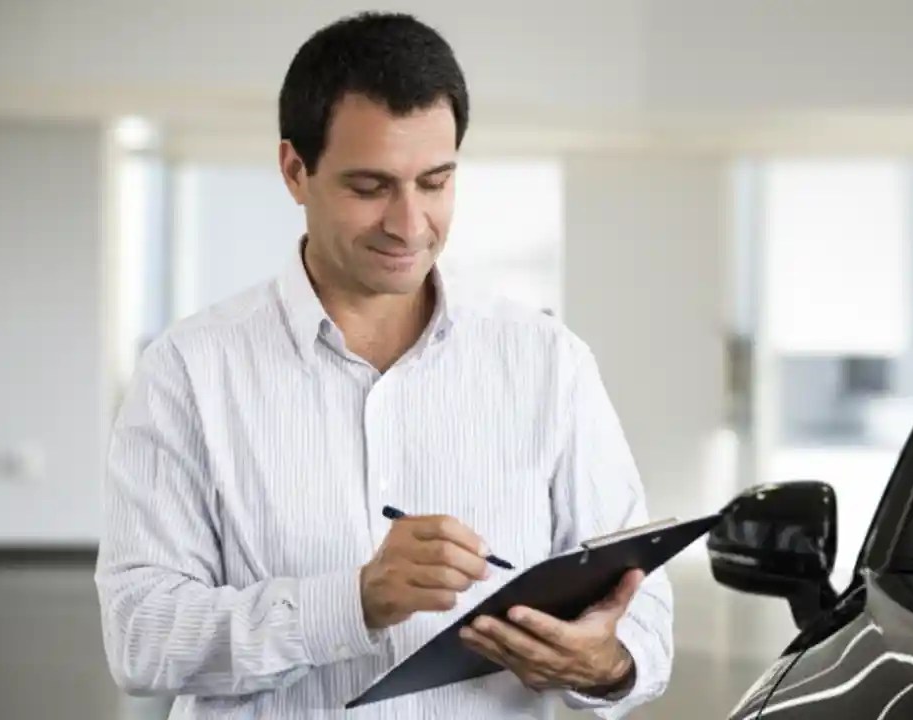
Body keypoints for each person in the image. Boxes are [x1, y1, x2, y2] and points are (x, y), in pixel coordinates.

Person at [94, 11, 673, 719]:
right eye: (370, 188)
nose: (409, 224)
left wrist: (605, 664)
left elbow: (644, 627)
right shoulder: (188, 372)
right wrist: (356, 601)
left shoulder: (549, 363)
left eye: (434, 182)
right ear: (294, 171)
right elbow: (141, 638)